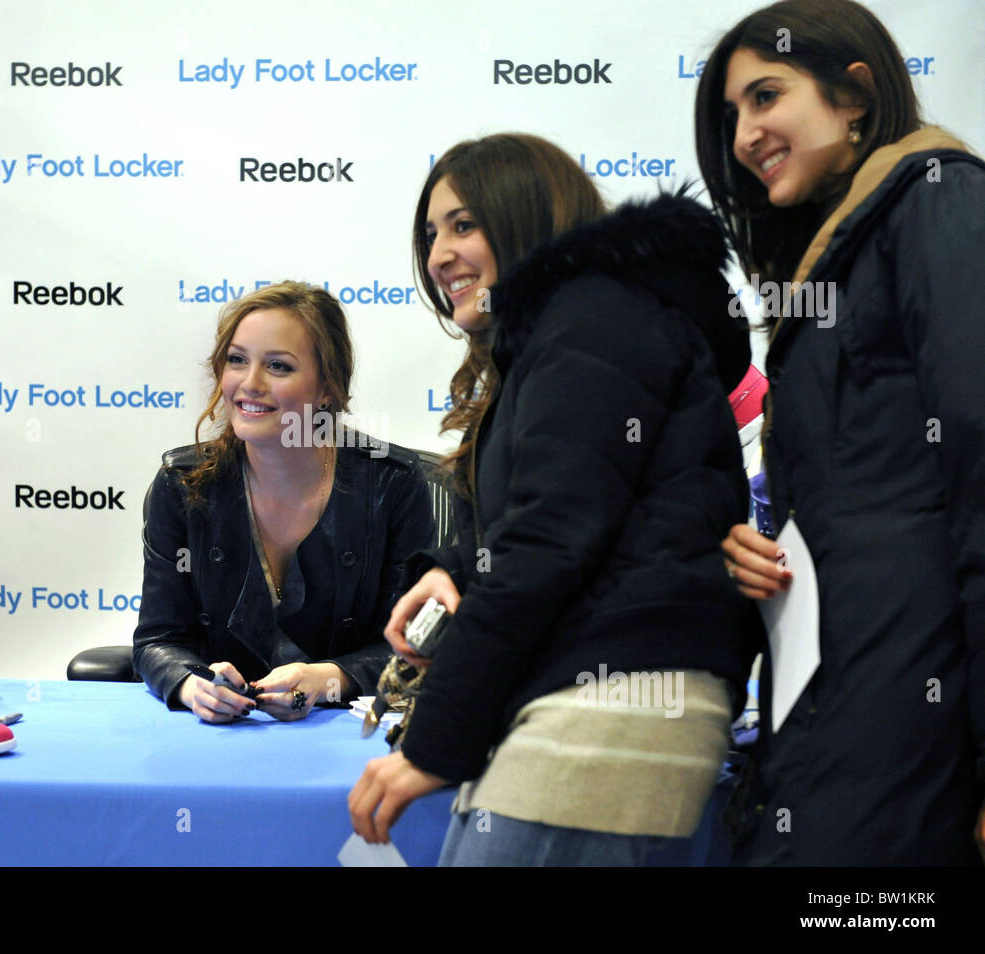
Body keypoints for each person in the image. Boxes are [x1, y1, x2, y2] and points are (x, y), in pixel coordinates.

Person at [348, 133, 758, 864]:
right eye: (431, 234)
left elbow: (548, 545)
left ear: (528, 213)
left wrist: (434, 743)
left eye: (464, 224)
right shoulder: (577, 328)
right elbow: (577, 515)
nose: (439, 255)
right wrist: (456, 570)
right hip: (586, 699)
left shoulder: (594, 316)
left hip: (614, 704)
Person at [698, 0, 985, 865]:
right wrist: (768, 548)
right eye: (732, 115)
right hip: (840, 696)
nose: (744, 135)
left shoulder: (940, 199)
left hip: (911, 708)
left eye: (766, 96)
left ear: (854, 95)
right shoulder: (839, 254)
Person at [132, 281, 434, 723]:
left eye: (278, 366)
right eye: (237, 360)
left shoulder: (392, 485)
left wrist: (327, 678)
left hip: (347, 733)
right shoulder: (182, 484)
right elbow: (159, 640)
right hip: (219, 736)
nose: (249, 383)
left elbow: (411, 648)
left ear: (327, 387)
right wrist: (193, 686)